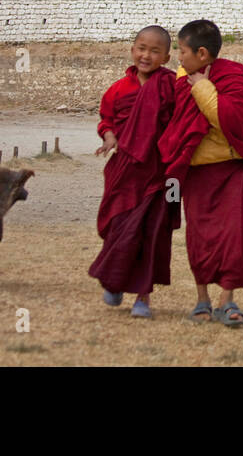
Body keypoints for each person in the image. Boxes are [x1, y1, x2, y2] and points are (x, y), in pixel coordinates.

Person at [158, 20, 243, 327]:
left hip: (230, 169)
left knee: (234, 235)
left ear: (202, 53)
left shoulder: (235, 76)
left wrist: (203, 88)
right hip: (195, 173)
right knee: (199, 237)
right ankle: (202, 299)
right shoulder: (181, 80)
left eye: (182, 51)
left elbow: (233, 120)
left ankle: (227, 302)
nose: (179, 58)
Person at [88, 26, 178, 319]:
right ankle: (114, 283)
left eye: (154, 51)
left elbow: (181, 123)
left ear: (166, 57)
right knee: (119, 229)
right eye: (141, 48)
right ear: (132, 50)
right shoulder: (118, 89)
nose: (146, 55)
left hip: (159, 174)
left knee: (151, 234)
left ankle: (143, 297)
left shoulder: (172, 85)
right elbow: (107, 120)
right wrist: (109, 136)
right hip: (125, 172)